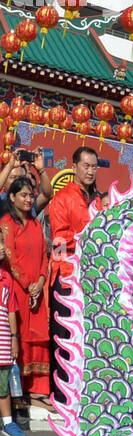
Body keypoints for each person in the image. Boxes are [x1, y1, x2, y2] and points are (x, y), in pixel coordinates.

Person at [48, 145, 102, 393]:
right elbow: (58, 242)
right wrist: (87, 236)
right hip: (67, 276)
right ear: (74, 167)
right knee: (64, 335)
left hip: (92, 278)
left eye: (94, 166)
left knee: (86, 336)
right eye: (86, 166)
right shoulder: (62, 198)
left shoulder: (98, 200)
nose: (90, 171)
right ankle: (60, 391)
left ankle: (81, 388)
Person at [0, 174, 52, 415]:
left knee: (38, 339)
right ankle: (17, 393)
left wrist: (41, 281)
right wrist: (27, 284)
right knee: (18, 339)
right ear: (12, 196)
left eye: (31, 195)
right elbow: (9, 257)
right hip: (17, 292)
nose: (29, 199)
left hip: (36, 292)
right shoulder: (7, 223)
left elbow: (44, 256)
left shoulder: (35, 223)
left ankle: (37, 391)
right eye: (24, 195)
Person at [0, 265, 25, 436]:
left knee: (3, 385)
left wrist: (14, 337)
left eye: (2, 241)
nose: (2, 247)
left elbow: (11, 311)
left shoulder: (7, 278)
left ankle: (8, 423)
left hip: (3, 339)